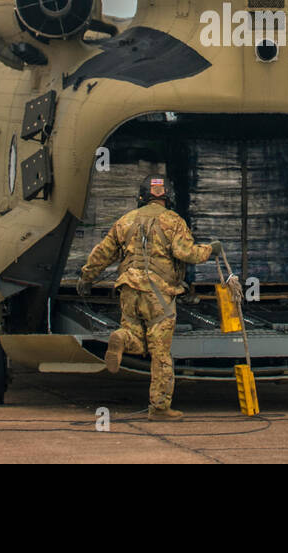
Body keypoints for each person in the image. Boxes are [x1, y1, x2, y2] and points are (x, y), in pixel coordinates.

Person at [78, 174, 220, 420]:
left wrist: (86, 278)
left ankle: (122, 338)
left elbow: (103, 252)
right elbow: (187, 253)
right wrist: (211, 250)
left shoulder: (126, 220)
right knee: (160, 352)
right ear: (169, 196)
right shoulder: (174, 221)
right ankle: (160, 407)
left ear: (142, 196)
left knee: (137, 338)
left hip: (129, 291)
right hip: (159, 296)